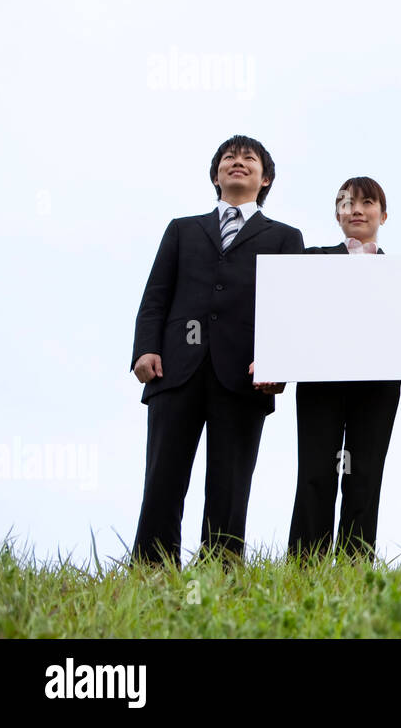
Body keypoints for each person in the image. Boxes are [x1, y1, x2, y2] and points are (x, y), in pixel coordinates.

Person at [130, 135, 305, 567]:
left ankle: (221, 568)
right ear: (216, 175)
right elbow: (156, 294)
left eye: (249, 159)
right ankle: (152, 566)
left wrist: (276, 362)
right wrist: (145, 349)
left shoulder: (285, 237)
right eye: (229, 157)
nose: (238, 162)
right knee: (163, 477)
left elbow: (289, 307)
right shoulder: (182, 229)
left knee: (229, 481)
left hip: (246, 373)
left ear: (265, 179)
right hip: (174, 367)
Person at [286, 177, 401, 563]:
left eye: (367, 202)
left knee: (365, 474)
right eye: (347, 202)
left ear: (383, 214)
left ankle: (354, 566)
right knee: (314, 471)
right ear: (337, 214)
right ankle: (304, 565)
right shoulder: (310, 259)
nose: (356, 209)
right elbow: (290, 314)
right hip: (319, 382)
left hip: (377, 386)